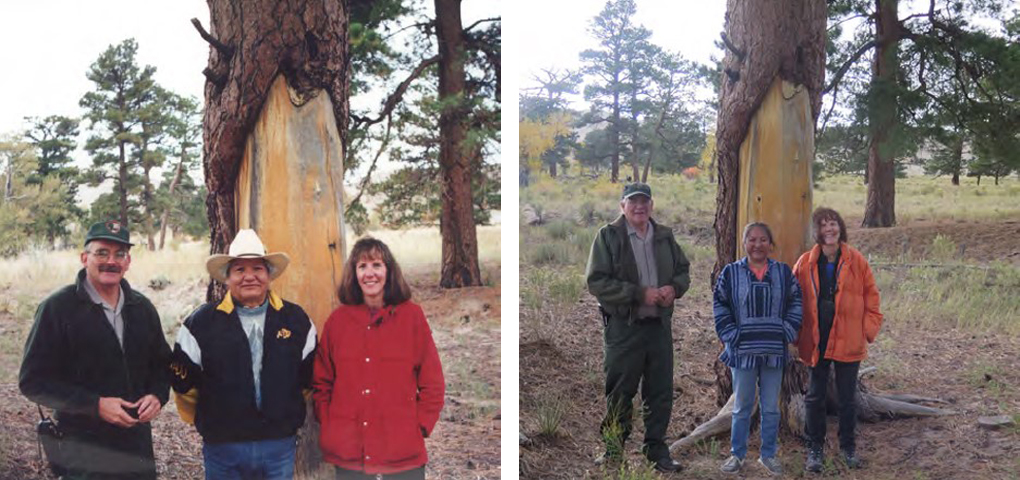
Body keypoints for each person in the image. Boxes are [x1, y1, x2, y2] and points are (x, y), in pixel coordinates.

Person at [19, 221, 171, 479]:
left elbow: (162, 364)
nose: (111, 261)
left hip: (137, 448)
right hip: (83, 449)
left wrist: (157, 395)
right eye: (102, 252)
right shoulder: (57, 309)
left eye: (119, 254)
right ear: (84, 257)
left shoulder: (142, 308)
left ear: (128, 261)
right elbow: (32, 381)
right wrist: (95, 405)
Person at [169, 229, 316, 480]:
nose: (249, 277)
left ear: (269, 274)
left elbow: (307, 379)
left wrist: (282, 413)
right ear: (227, 277)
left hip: (278, 446)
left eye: (257, 268)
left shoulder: (297, 321)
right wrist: (215, 422)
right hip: (223, 448)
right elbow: (184, 386)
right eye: (239, 270)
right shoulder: (200, 324)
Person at [313, 237, 445, 479]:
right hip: (350, 450)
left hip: (402, 450)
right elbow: (322, 381)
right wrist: (331, 423)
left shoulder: (412, 317)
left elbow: (432, 380)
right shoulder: (337, 322)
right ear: (354, 274)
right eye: (362, 266)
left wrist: (420, 425)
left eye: (376, 265)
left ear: (389, 271)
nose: (369, 273)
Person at [585, 182, 691, 473]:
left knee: (660, 391)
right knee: (619, 391)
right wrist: (638, 294)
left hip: (658, 328)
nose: (639, 207)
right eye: (633, 202)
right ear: (623, 206)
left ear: (651, 206)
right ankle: (613, 451)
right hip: (624, 329)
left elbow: (684, 270)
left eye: (644, 201)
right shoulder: (608, 236)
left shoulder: (665, 236)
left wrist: (674, 288)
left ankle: (657, 451)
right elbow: (596, 282)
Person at [793, 208, 883, 472]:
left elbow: (872, 298)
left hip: (848, 337)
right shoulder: (805, 262)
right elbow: (794, 299)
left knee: (847, 398)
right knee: (815, 396)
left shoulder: (856, 261)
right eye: (823, 225)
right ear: (817, 232)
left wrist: (867, 330)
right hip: (816, 338)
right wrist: (796, 334)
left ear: (840, 228)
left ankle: (848, 448)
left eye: (833, 224)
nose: (829, 229)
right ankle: (815, 450)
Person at [713, 222, 802, 476]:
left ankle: (768, 454)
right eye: (752, 239)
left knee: (771, 406)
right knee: (741, 406)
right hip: (742, 351)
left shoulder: (783, 273)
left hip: (774, 349)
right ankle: (737, 455)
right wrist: (731, 334)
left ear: (770, 244)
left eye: (763, 239)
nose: (757, 245)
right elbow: (719, 304)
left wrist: (787, 331)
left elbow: (797, 301)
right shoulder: (731, 273)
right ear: (744, 243)